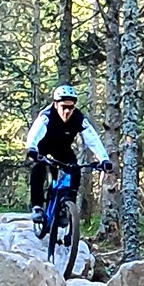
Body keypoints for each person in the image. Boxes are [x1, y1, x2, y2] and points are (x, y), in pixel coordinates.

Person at [24, 85, 112, 233]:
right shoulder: (47, 115)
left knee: (75, 171)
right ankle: (37, 206)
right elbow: (35, 133)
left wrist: (104, 159)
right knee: (39, 168)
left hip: (63, 149)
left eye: (71, 108)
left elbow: (92, 139)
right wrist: (32, 149)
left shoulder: (78, 118)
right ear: (55, 103)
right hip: (43, 148)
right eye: (64, 106)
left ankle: (66, 205)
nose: (67, 111)